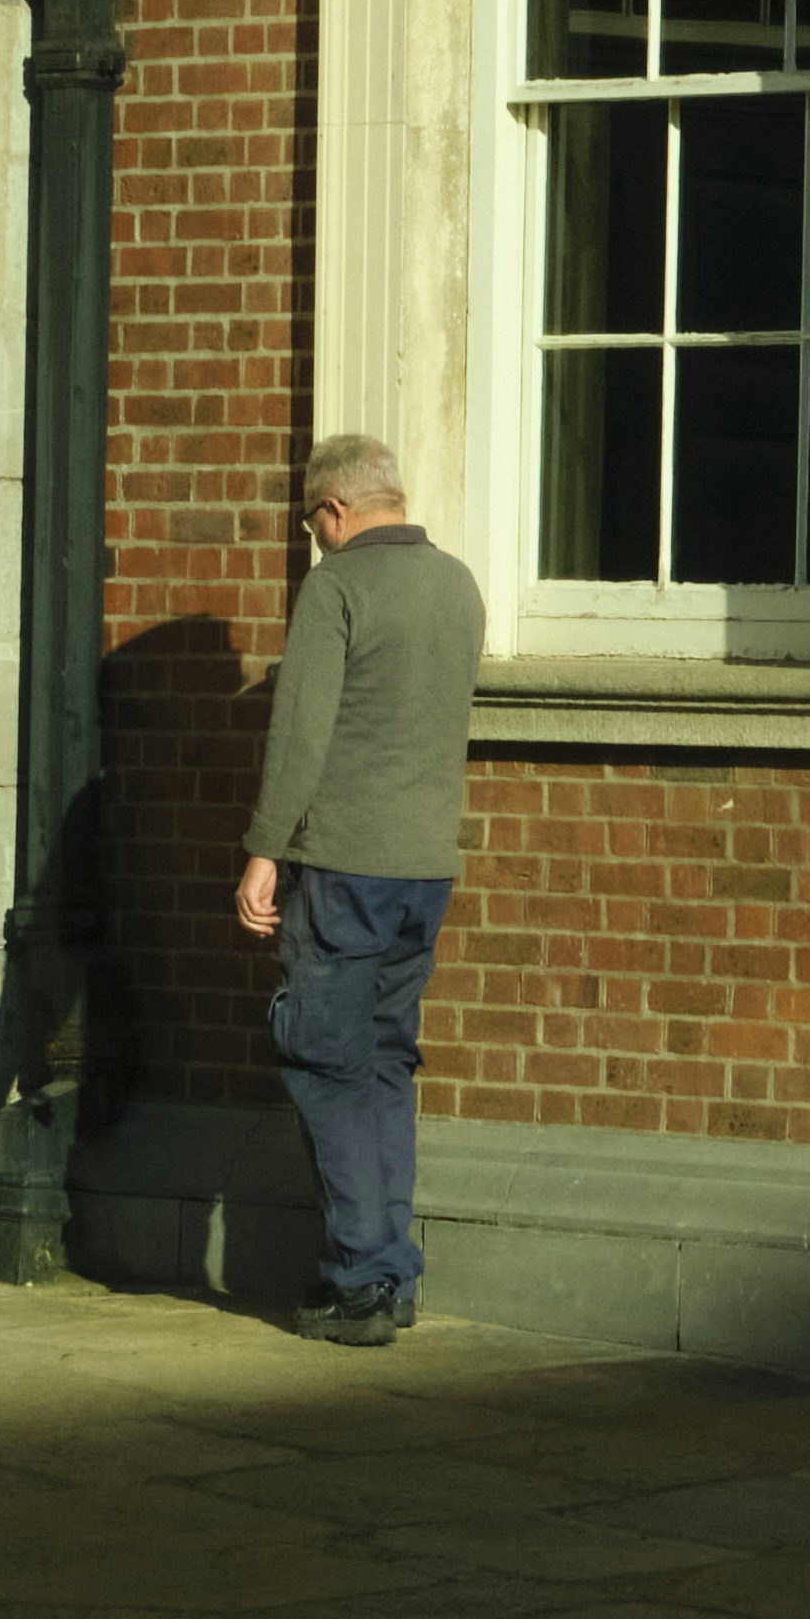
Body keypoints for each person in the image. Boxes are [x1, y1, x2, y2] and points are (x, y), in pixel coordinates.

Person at [236, 434, 483, 1347]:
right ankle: (394, 1274)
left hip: (344, 865)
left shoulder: (336, 587)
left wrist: (265, 850)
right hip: (427, 868)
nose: (315, 540)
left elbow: (301, 735)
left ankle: (359, 1282)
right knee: (385, 1064)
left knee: (324, 1066)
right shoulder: (458, 585)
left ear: (334, 510)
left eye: (313, 524)